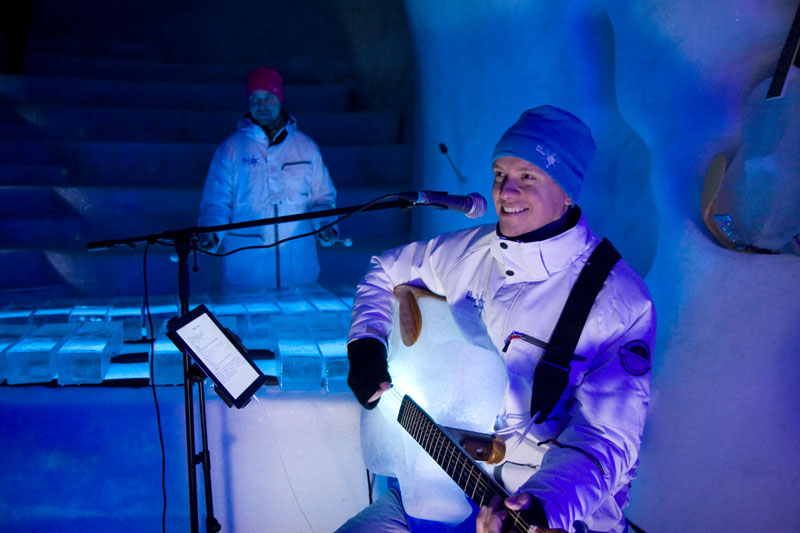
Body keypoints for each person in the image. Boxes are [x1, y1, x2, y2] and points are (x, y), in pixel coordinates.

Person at [340, 106, 656, 533]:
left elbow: (606, 442)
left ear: (568, 191)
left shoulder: (617, 300)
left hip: (549, 511)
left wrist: (542, 508)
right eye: (499, 174)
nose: (506, 192)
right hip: (447, 480)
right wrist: (365, 347)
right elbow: (383, 271)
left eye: (528, 176)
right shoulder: (472, 251)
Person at [198, 66, 338, 291]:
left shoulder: (306, 148)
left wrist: (325, 225)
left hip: (298, 269)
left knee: (296, 323)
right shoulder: (231, 150)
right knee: (247, 325)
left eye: (268, 98)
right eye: (255, 99)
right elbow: (216, 202)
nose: (261, 106)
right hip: (247, 273)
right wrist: (211, 233)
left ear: (279, 99)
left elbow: (322, 197)